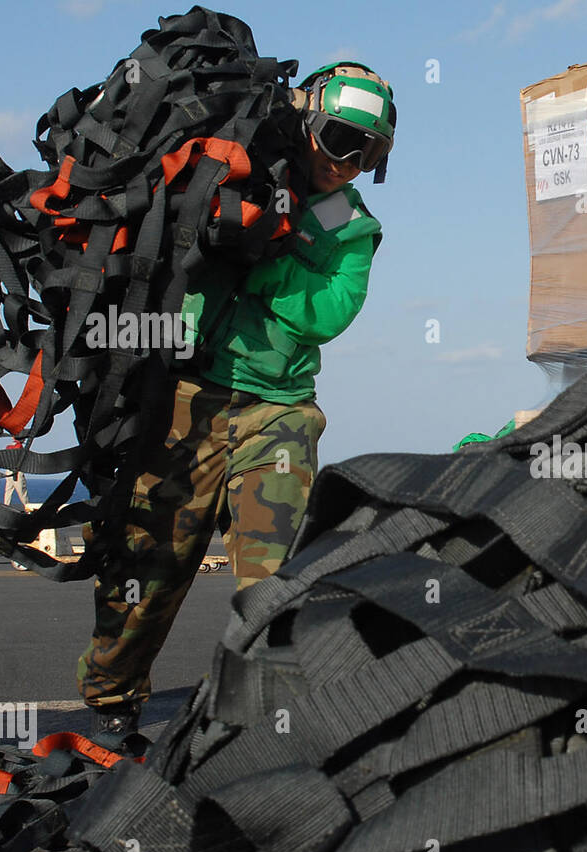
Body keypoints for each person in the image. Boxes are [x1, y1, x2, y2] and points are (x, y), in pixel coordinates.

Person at [76, 62, 396, 749]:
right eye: (341, 140)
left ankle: (272, 728)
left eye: (368, 154)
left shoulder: (350, 226)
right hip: (186, 396)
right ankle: (112, 701)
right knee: (148, 564)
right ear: (306, 120)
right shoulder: (235, 165)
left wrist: (266, 254)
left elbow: (328, 309)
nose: (349, 165)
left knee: (274, 580)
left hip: (276, 409)